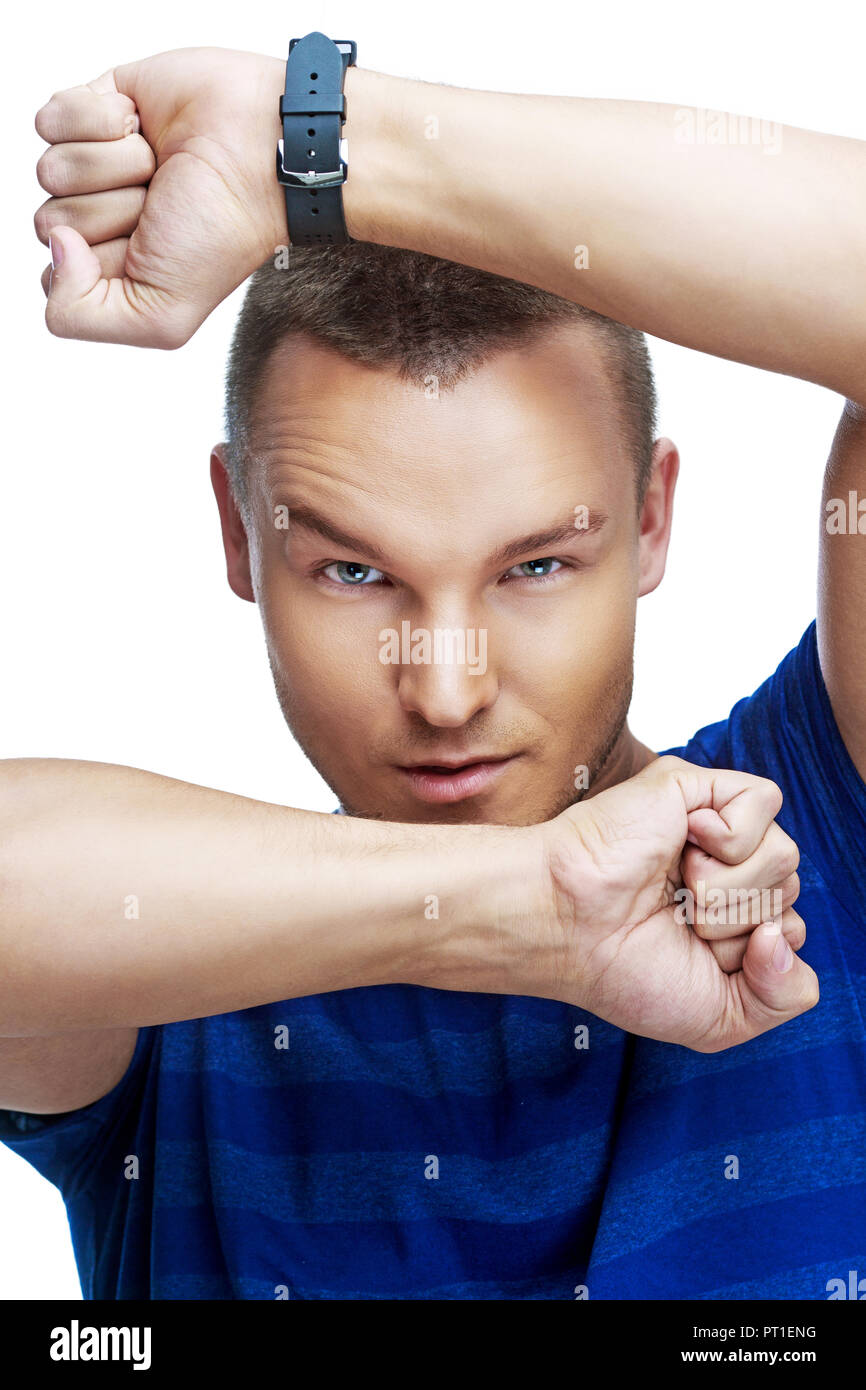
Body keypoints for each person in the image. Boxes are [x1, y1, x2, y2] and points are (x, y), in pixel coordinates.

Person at [0, 41, 862, 1300]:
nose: (446, 690)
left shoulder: (811, 842)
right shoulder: (172, 989)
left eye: (534, 567)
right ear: (241, 535)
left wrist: (306, 145)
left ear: (652, 518)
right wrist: (526, 910)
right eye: (355, 574)